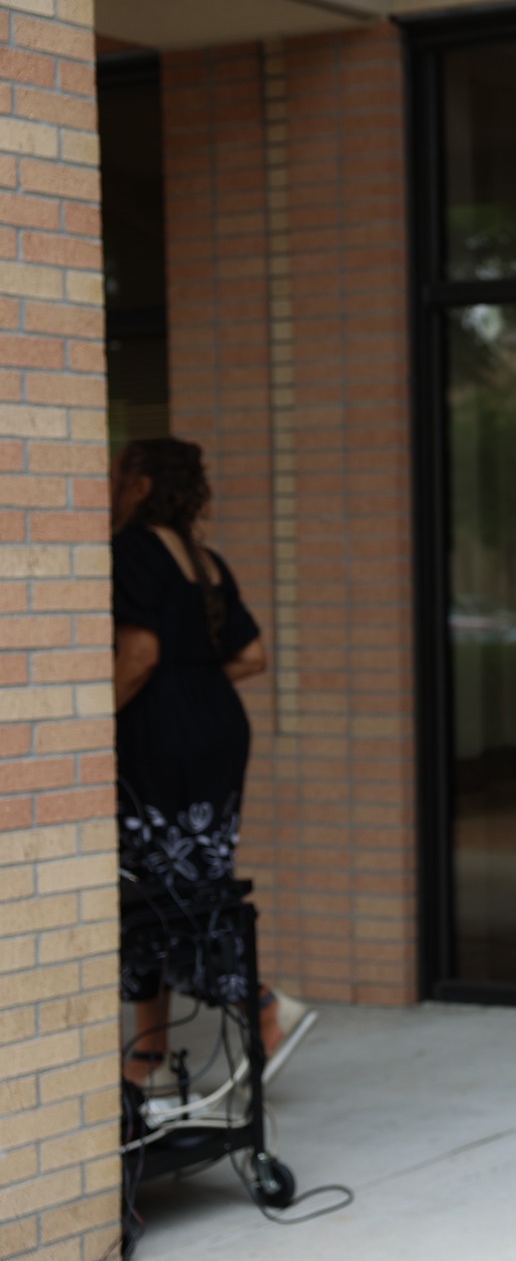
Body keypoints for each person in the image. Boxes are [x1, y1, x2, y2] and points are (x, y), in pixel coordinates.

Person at [111, 438, 314, 1104]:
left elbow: (139, 654)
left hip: (158, 741)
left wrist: (88, 726)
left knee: (156, 892)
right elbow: (251, 655)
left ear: (140, 484)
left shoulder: (132, 550)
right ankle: (150, 1055)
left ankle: (261, 1003)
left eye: (119, 473)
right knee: (184, 882)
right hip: (217, 733)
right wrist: (195, 687)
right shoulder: (207, 562)